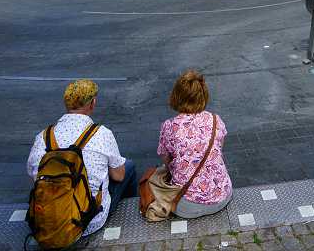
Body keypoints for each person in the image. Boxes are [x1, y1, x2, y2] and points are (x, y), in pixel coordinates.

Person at [28, 79, 136, 237]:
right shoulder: (101, 133)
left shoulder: (43, 137)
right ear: (92, 103)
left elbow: (34, 175)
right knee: (129, 166)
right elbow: (118, 176)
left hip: (50, 219)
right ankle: (130, 214)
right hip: (89, 220)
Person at [157, 70, 232, 219]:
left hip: (187, 206)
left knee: (159, 172)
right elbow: (218, 150)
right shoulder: (216, 120)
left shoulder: (169, 126)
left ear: (177, 96)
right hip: (222, 195)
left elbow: (166, 160)